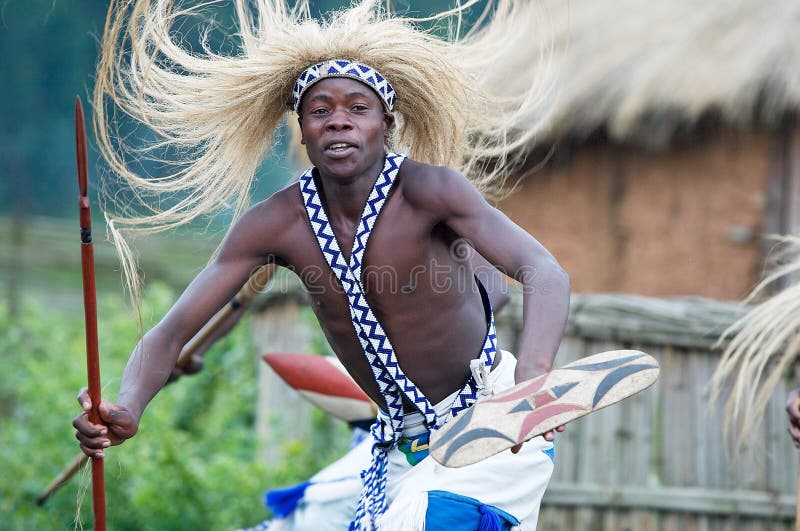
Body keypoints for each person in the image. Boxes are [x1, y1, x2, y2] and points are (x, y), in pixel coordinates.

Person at [74, 2, 569, 529]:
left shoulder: (431, 191)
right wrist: (127, 405)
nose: (338, 120)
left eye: (358, 107)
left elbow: (543, 271)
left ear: (387, 124)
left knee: (436, 519)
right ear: (302, 131)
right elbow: (170, 335)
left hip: (492, 420)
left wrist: (532, 383)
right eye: (320, 111)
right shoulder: (277, 224)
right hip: (400, 445)